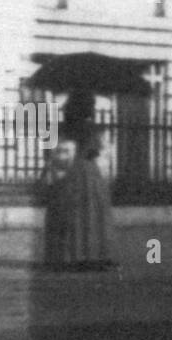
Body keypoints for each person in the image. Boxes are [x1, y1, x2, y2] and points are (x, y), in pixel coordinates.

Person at [41, 91, 117, 271]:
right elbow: (99, 151)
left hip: (68, 173)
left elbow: (51, 151)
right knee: (92, 215)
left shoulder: (62, 128)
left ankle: (67, 256)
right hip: (90, 173)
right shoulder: (93, 130)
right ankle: (92, 255)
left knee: (67, 214)